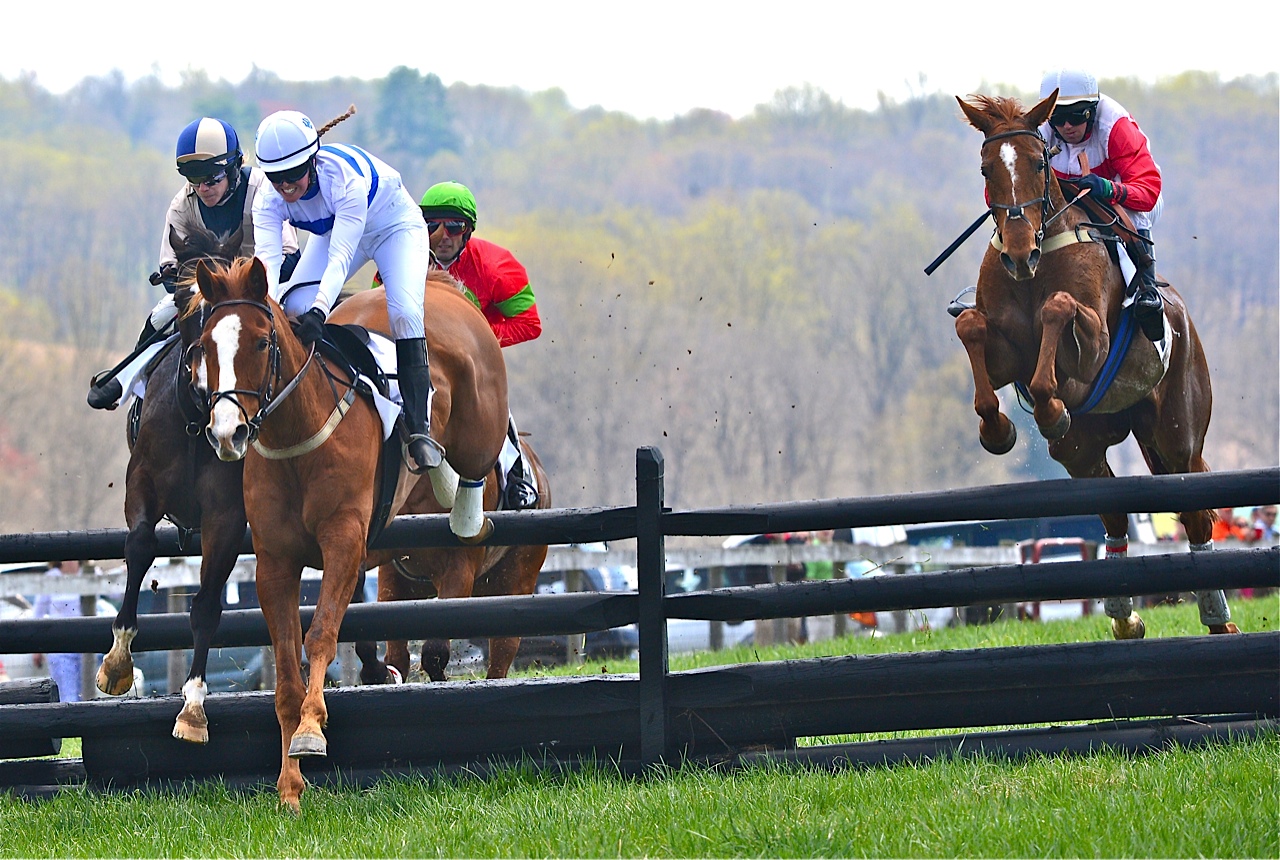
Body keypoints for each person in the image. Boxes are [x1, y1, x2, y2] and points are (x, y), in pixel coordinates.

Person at [251, 108, 442, 473]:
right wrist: (266, 309)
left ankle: (419, 426)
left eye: (293, 174)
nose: (285, 186)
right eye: (276, 177)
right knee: (294, 305)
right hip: (336, 229)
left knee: (404, 313)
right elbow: (267, 264)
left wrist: (321, 311)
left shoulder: (344, 181)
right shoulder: (267, 200)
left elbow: (340, 257)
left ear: (312, 160)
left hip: (393, 229)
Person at [88, 117, 300, 410]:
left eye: (211, 179)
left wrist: (240, 278)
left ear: (233, 170)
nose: (202, 188)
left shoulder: (262, 189)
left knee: (303, 310)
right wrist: (183, 279)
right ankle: (124, 380)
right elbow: (170, 269)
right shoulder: (182, 205)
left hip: (265, 286)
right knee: (159, 317)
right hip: (211, 293)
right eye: (194, 179)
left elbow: (290, 257)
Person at [418, 181, 542, 508]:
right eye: (432, 226)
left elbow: (529, 323)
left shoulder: (496, 266)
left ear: (468, 231)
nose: (442, 235)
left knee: (491, 416)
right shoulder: (402, 260)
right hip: (417, 363)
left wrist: (477, 342)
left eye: (453, 226)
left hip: (474, 371)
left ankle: (518, 478)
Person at [1037, 69, 1166, 342]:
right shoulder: (1040, 132)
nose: (1066, 126)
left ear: (1092, 111)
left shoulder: (1116, 127)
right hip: (1070, 203)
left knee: (1133, 212)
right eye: (1058, 118)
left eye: (1076, 116)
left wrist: (1108, 189)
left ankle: (1147, 290)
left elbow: (1148, 191)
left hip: (1125, 198)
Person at [32, 561, 83, 702]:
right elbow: (38, 613)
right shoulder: (50, 577)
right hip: (60, 646)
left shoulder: (90, 572)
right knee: (68, 696)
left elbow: (115, 592)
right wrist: (36, 647)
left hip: (86, 646)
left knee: (86, 694)